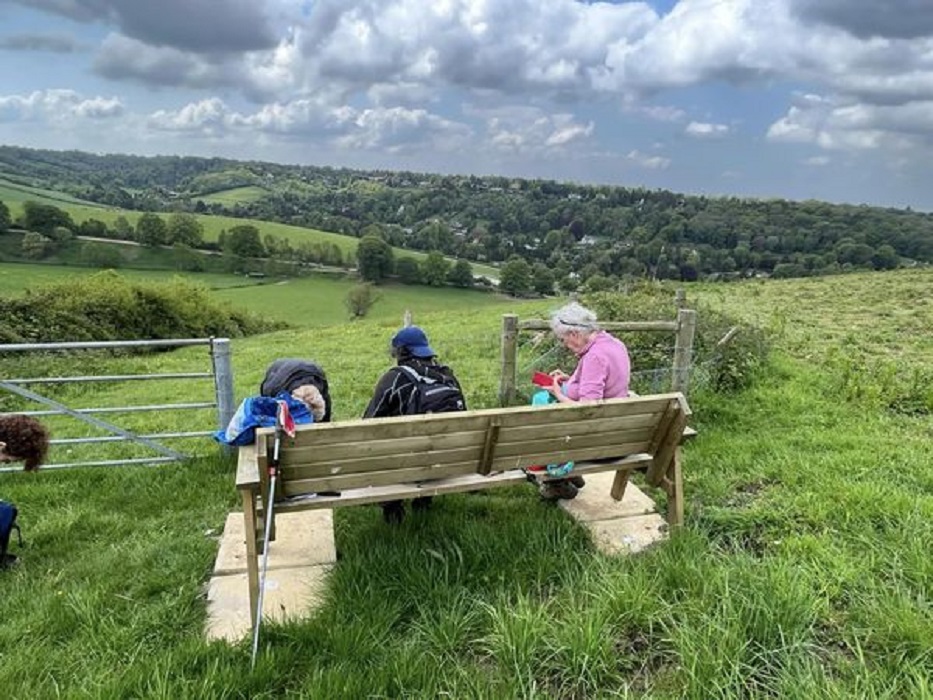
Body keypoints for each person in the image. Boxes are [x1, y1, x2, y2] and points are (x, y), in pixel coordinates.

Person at [363, 325, 467, 523]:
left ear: (402, 351)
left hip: (406, 464)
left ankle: (392, 507)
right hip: (447, 461)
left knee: (387, 445)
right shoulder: (448, 376)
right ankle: (424, 501)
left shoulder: (395, 378)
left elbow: (368, 423)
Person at [538, 301, 631, 500]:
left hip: (600, 442)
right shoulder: (614, 344)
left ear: (575, 334)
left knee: (543, 414)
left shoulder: (594, 357)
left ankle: (558, 481)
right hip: (622, 432)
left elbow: (588, 409)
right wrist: (570, 379)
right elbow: (601, 384)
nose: (564, 344)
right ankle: (572, 474)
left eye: (564, 339)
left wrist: (559, 394)